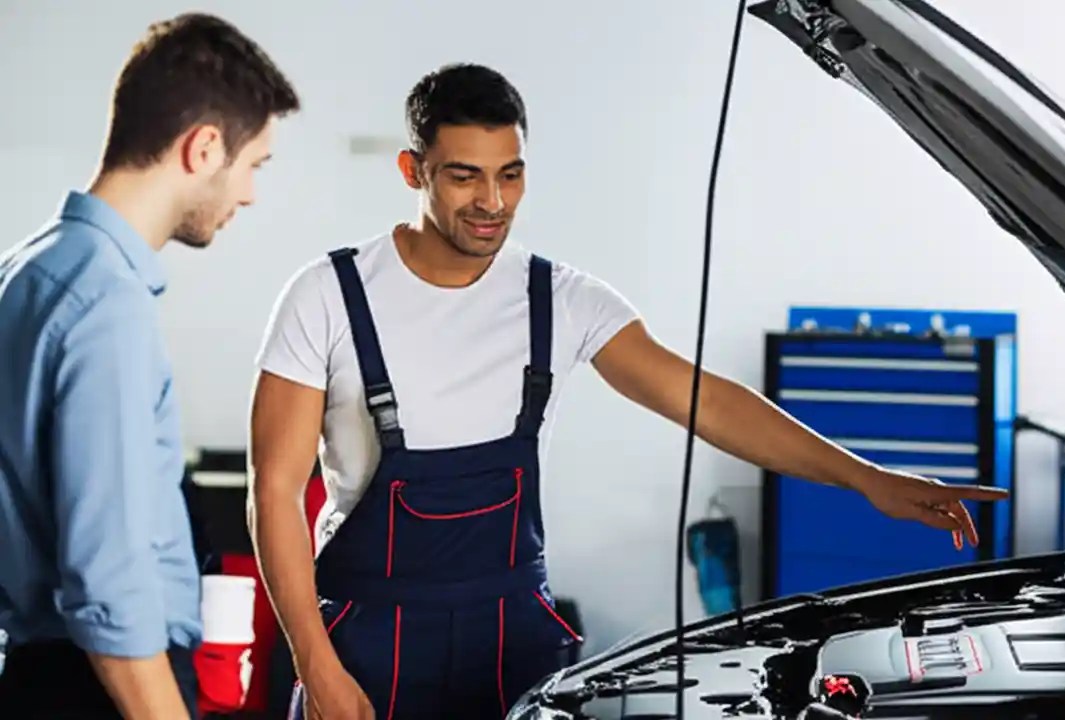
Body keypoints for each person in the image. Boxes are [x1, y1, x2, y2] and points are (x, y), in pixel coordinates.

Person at [248, 63, 1009, 720]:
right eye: (464, 175)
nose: (493, 202)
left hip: (512, 639)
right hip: (366, 642)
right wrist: (318, 667)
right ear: (413, 171)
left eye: (510, 174)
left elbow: (706, 400)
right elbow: (274, 493)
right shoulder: (326, 297)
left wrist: (864, 478)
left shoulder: (559, 299)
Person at [0, 13, 300, 719]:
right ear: (203, 148)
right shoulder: (106, 303)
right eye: (252, 165)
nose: (250, 193)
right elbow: (111, 582)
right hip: (97, 689)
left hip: (43, 673)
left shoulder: (30, 271)